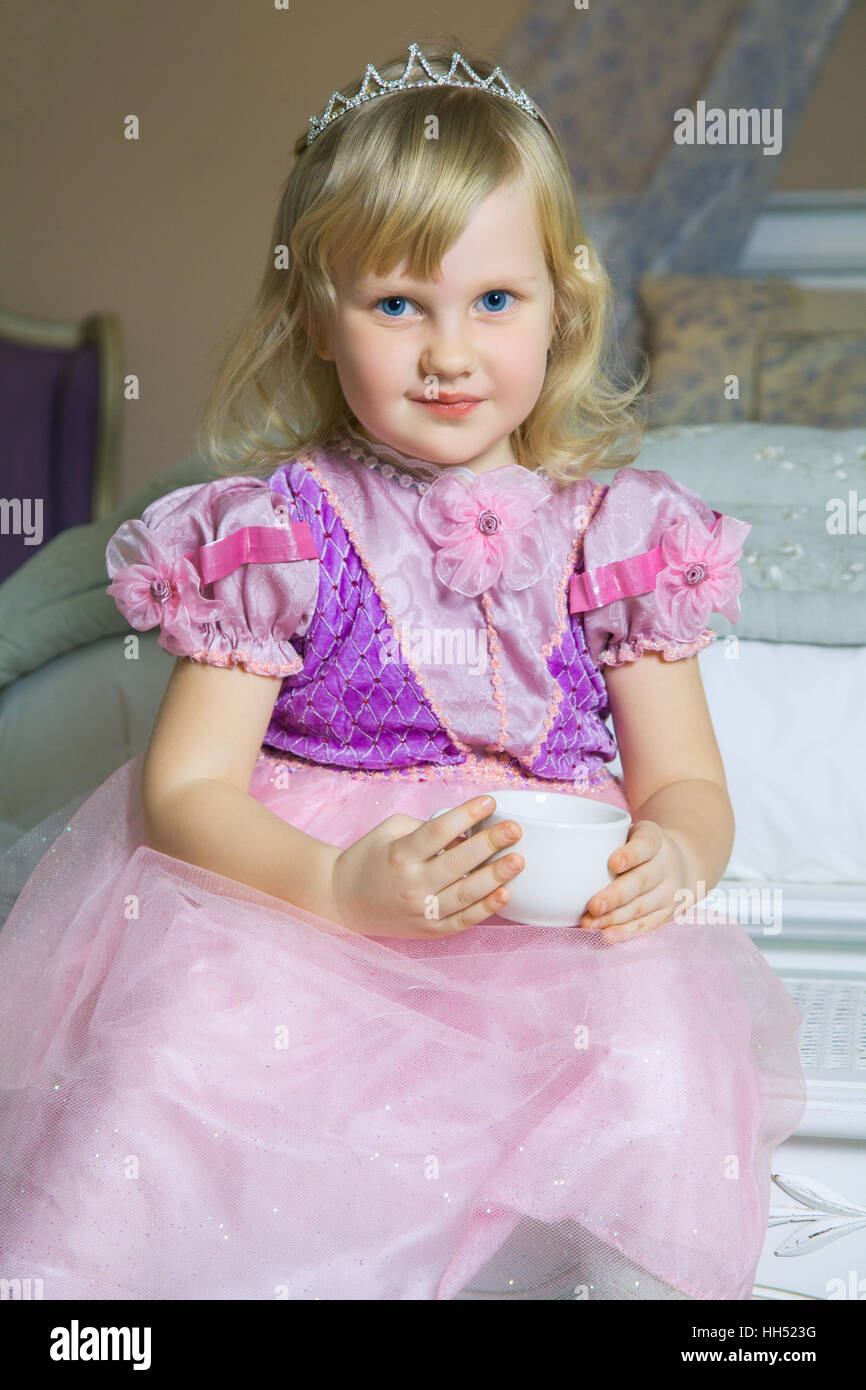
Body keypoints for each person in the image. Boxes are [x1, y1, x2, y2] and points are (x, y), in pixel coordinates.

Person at [0, 41, 806, 1301]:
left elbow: (686, 783)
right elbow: (187, 789)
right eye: (396, 304)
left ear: (561, 308)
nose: (447, 351)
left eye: (495, 302)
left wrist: (677, 854)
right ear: (315, 320)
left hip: (547, 928)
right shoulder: (273, 532)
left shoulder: (623, 535)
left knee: (647, 1055)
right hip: (304, 907)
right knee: (177, 1055)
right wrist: (333, 882)